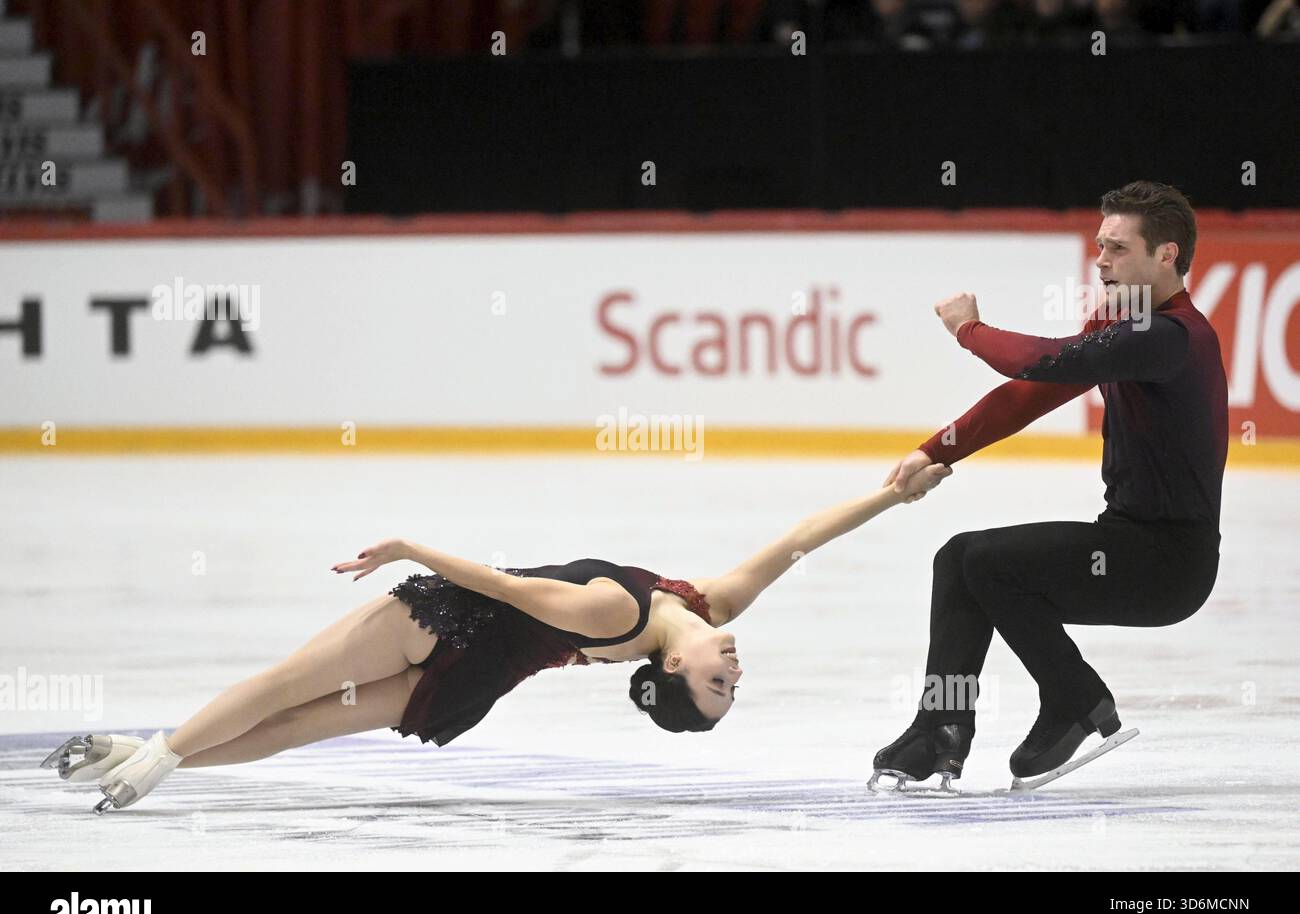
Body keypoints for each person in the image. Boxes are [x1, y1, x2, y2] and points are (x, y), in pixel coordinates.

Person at [46, 460, 953, 812]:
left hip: (446, 627)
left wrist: (409, 545)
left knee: (288, 698)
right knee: (290, 721)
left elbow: (507, 585)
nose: (735, 673)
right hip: (471, 677)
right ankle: (146, 753)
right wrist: (893, 494)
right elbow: (799, 541)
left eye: (718, 686)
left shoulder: (618, 615)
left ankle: (157, 753)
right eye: (734, 685)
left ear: (674, 666)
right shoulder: (711, 605)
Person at [873, 180, 1227, 791]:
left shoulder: (1171, 337)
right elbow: (1029, 397)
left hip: (1168, 564)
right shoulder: (1123, 324)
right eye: (1099, 246)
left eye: (1117, 248)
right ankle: (939, 729)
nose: (1101, 260)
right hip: (1125, 542)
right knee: (959, 560)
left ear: (1166, 255)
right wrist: (935, 450)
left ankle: (1076, 699)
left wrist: (969, 330)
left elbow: (1044, 360)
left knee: (987, 564)